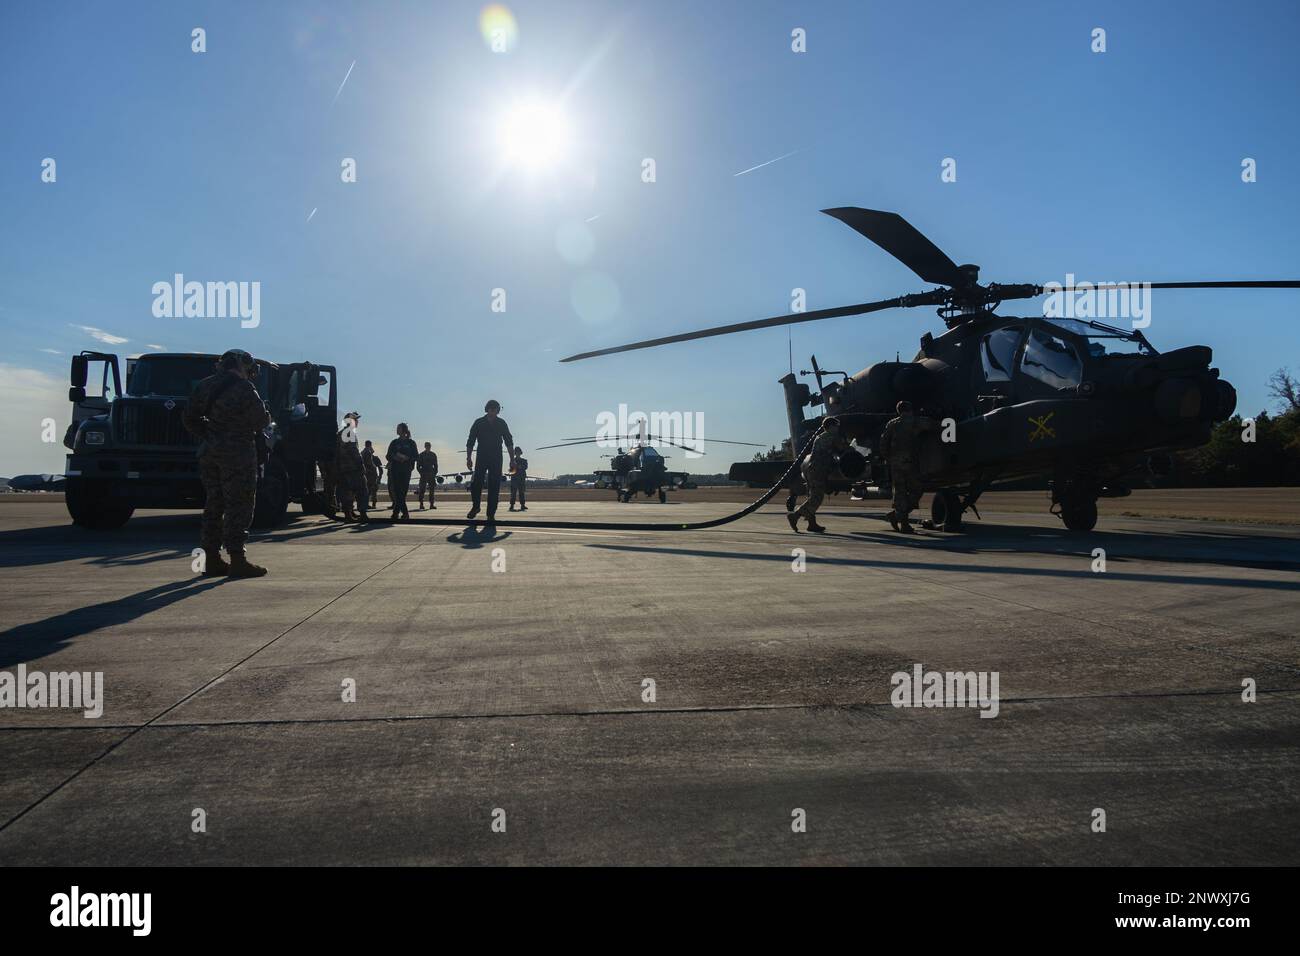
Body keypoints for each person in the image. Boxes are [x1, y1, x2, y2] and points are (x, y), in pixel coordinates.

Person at [181, 349, 271, 577]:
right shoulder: (244, 387)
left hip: (209, 452)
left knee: (214, 503)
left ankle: (211, 559)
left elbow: (188, 418)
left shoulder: (204, 385)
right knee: (239, 504)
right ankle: (238, 559)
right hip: (238, 453)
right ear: (243, 366)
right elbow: (260, 420)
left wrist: (211, 435)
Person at [879, 400, 936, 534]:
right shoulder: (916, 421)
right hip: (910, 462)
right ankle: (897, 517)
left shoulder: (891, 424)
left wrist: (889, 458)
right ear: (910, 409)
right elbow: (936, 426)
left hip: (895, 464)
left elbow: (883, 443)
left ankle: (901, 521)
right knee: (917, 489)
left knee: (900, 493)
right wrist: (952, 427)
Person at [787, 417, 844, 534]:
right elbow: (843, 449)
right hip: (818, 470)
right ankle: (795, 516)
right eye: (836, 425)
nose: (838, 428)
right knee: (817, 497)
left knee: (812, 496)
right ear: (830, 427)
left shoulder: (821, 436)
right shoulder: (830, 437)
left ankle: (812, 524)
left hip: (811, 469)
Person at [465, 399, 514, 521]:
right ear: (487, 409)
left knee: (494, 485)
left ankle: (491, 513)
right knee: (476, 482)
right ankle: (476, 507)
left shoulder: (501, 423)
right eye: (491, 409)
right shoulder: (479, 422)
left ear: (498, 410)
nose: (494, 411)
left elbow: (509, 441)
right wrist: (469, 458)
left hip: (496, 456)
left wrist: (512, 459)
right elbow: (470, 441)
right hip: (482, 456)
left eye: (496, 409)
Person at [336, 411, 369, 523]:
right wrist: (361, 465)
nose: (357, 422)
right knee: (362, 490)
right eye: (356, 420)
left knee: (347, 491)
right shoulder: (349, 434)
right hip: (353, 468)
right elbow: (354, 452)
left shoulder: (340, 433)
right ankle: (363, 514)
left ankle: (348, 514)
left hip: (343, 468)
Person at [386, 423, 419, 521]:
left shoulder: (411, 443)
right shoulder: (394, 442)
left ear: (403, 430)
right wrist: (395, 457)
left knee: (402, 492)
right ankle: (401, 513)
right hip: (395, 469)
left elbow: (416, 456)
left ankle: (398, 513)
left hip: (406, 470)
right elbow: (388, 455)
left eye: (398, 428)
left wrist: (407, 458)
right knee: (397, 492)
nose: (397, 430)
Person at [416, 442, 439, 510]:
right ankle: (421, 504)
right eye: (427, 446)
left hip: (431, 474)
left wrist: (434, 473)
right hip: (424, 473)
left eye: (429, 446)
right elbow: (418, 466)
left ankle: (431, 504)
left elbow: (436, 465)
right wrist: (421, 472)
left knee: (432, 490)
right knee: (422, 490)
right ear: (425, 446)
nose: (428, 447)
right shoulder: (421, 455)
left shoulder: (433, 455)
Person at [362, 440, 382, 509]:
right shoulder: (368, 453)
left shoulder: (363, 453)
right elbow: (371, 464)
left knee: (369, 490)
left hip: (367, 474)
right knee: (372, 490)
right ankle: (370, 504)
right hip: (370, 475)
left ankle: (368, 503)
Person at [509, 446, 529, 511]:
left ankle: (522, 505)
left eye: (518, 452)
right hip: (514, 478)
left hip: (521, 478)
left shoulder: (524, 461)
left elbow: (525, 467)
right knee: (513, 493)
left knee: (522, 492)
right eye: (516, 452)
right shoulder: (512, 461)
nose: (517, 453)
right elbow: (511, 470)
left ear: (520, 453)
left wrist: (518, 467)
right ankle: (512, 505)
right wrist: (513, 468)